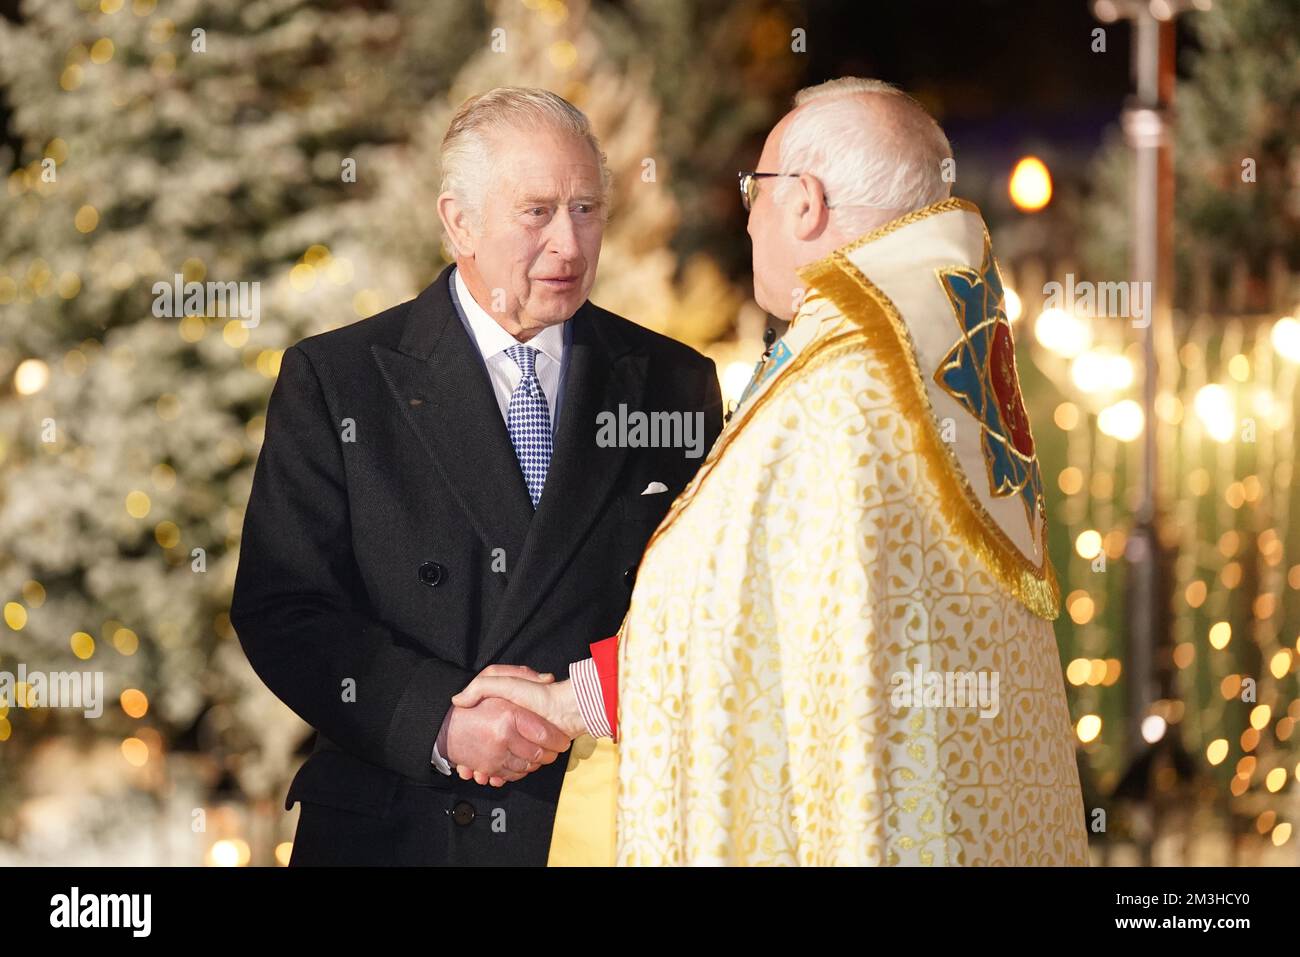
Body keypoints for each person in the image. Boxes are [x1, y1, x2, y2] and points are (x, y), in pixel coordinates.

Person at [453, 78, 1089, 866]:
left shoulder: (836, 392)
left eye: (756, 189)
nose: (747, 215)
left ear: (805, 203)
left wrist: (566, 699)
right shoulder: (934, 359)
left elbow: (728, 616)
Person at [230, 87, 722, 865]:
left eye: (587, 209)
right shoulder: (339, 378)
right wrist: (439, 722)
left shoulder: (672, 384)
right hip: (398, 827)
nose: (569, 242)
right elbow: (283, 606)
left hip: (590, 828)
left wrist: (576, 706)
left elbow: (708, 609)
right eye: (538, 212)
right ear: (458, 220)